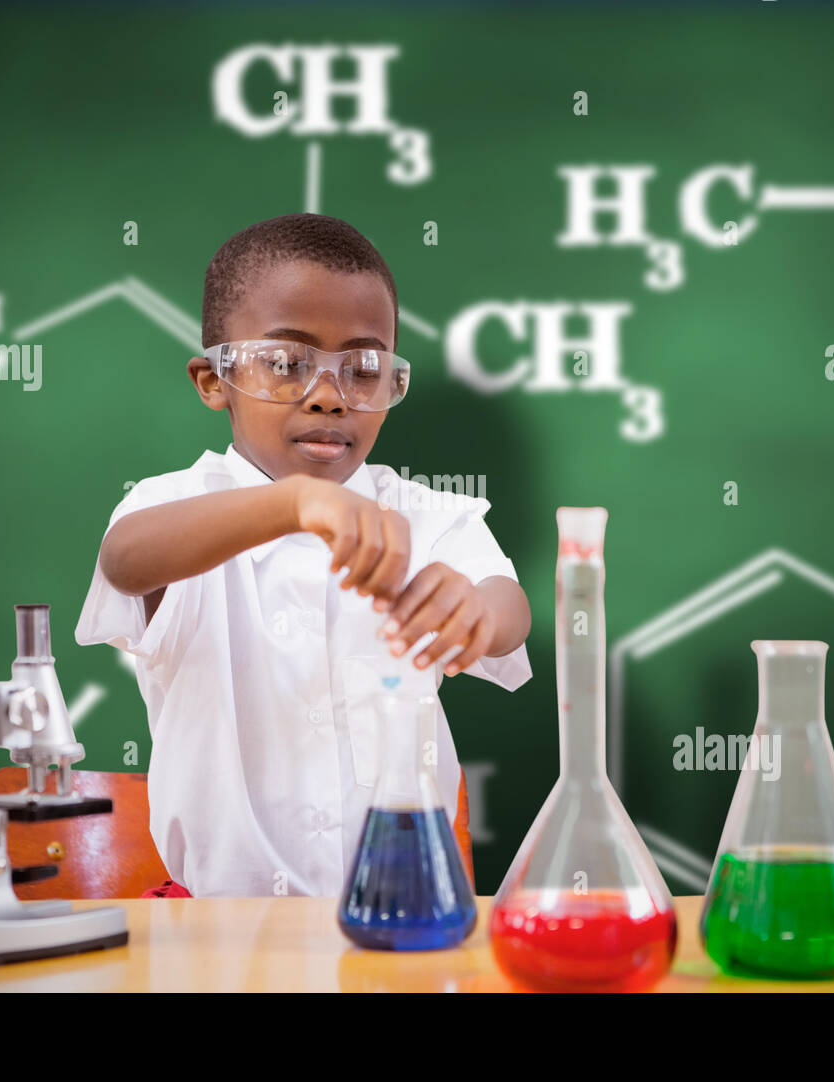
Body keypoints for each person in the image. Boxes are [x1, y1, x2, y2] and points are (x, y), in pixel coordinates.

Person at [74, 212, 532, 898]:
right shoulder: (173, 506)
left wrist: (475, 613)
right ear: (212, 381)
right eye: (287, 365)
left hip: (403, 918)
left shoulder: (427, 515)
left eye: (363, 369)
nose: (328, 397)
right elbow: (127, 559)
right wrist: (293, 503)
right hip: (216, 937)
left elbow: (509, 609)